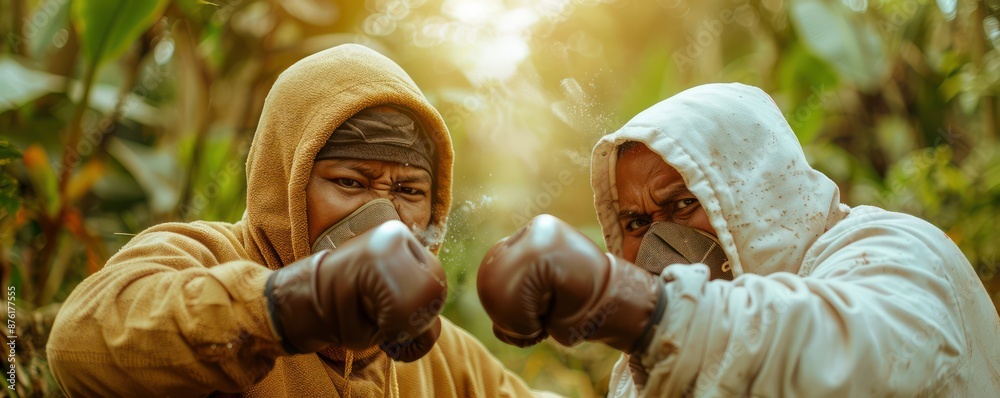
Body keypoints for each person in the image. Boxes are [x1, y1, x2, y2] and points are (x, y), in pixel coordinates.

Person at [46, 44, 557, 397]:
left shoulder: (444, 359)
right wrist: (291, 305)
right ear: (284, 177)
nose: (386, 220)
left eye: (408, 191)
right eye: (350, 183)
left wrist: (623, 312)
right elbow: (76, 346)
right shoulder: (203, 255)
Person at [477, 83, 1000, 396]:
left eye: (683, 204)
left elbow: (858, 360)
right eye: (636, 223)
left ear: (755, 188)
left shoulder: (897, 250)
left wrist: (637, 309)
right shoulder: (658, 362)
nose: (659, 241)